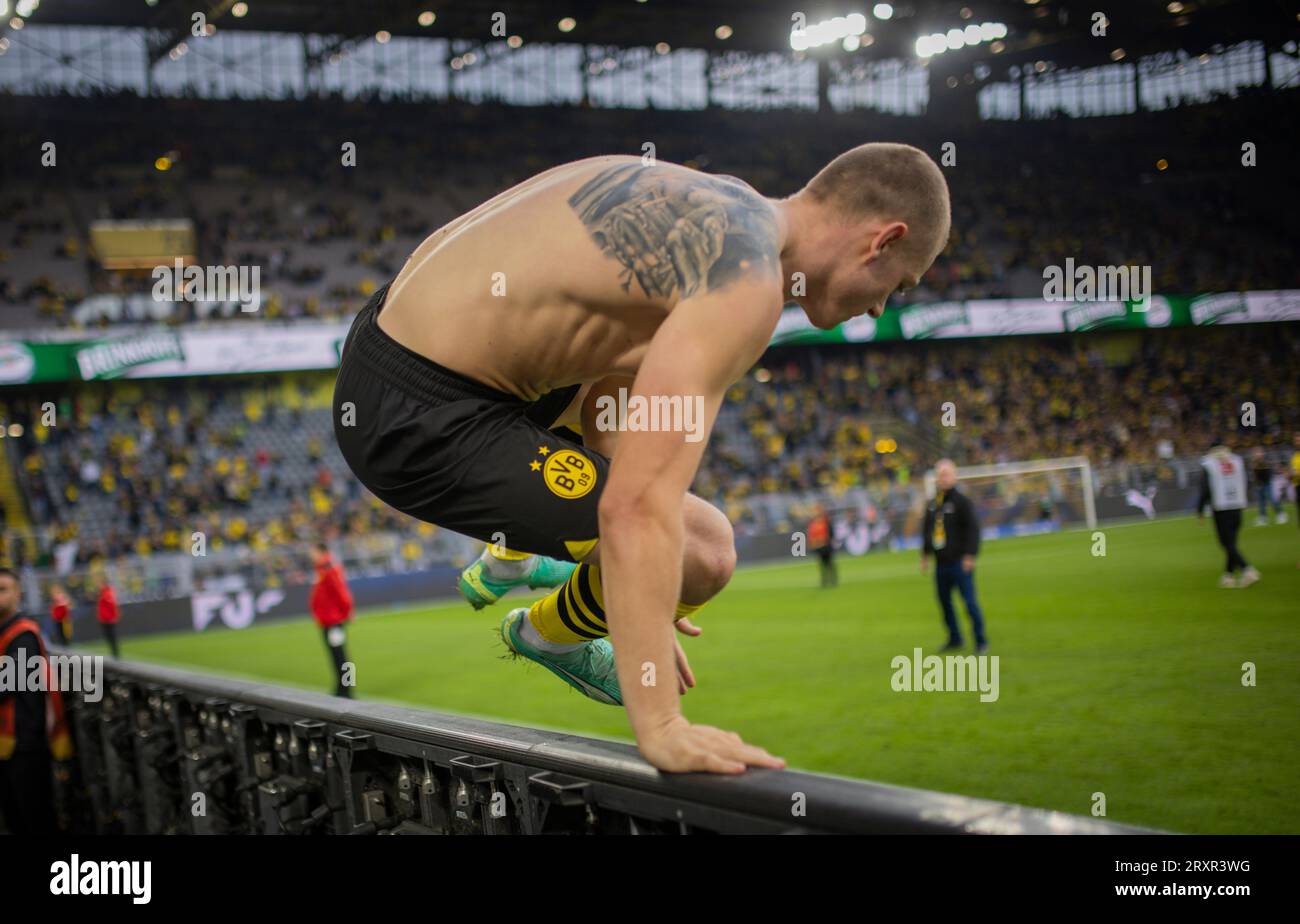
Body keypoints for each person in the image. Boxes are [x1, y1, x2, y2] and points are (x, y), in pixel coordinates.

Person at [334, 144, 951, 774]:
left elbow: (610, 382)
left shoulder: (719, 203)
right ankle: (545, 631)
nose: (881, 307)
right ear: (884, 240)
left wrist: (636, 601)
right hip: (422, 414)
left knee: (661, 551)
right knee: (704, 552)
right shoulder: (747, 282)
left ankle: (527, 572)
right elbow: (636, 508)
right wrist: (661, 723)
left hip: (403, 344)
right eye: (899, 284)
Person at [0, 566, 72, 835]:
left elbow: (8, 684)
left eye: (3, 590)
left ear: (18, 593)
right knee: (16, 819)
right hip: (10, 744)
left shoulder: (22, 634)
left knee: (35, 819)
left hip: (23, 744)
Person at [920, 459, 988, 654]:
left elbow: (973, 529)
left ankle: (981, 640)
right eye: (940, 475)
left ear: (954, 476)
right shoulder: (933, 504)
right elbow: (928, 530)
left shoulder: (962, 502)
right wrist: (925, 554)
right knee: (945, 603)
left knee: (969, 602)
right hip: (941, 564)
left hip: (959, 562)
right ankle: (954, 638)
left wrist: (970, 555)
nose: (943, 478)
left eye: (946, 474)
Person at [1197, 439, 1259, 588]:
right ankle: (1228, 576)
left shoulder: (1209, 463)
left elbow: (1205, 489)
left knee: (1226, 543)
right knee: (1231, 543)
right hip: (1237, 506)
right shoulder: (1237, 460)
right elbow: (1247, 481)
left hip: (1221, 508)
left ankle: (1247, 569)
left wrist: (1200, 509)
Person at [309, 543, 355, 698]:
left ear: (320, 551)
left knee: (341, 656)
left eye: (312, 551)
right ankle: (341, 688)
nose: (310, 555)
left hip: (334, 621)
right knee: (336, 656)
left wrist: (347, 612)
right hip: (327, 621)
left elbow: (342, 592)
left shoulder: (328, 568)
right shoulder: (322, 568)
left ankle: (347, 690)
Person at [1250, 447, 1284, 526]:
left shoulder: (1265, 462)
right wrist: (1257, 483)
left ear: (1262, 454)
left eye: (1259, 453)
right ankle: (1263, 517)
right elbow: (1255, 475)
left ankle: (1280, 514)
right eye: (1256, 453)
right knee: (1261, 501)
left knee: (1272, 498)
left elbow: (1267, 474)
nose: (1257, 454)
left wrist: (1257, 466)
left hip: (1267, 483)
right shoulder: (1254, 463)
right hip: (1259, 484)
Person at [807, 505, 837, 588]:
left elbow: (830, 533)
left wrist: (826, 541)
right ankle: (825, 580)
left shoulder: (825, 521)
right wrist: (813, 544)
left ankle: (833, 579)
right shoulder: (813, 523)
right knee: (822, 564)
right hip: (819, 547)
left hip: (826, 545)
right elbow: (811, 535)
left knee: (829, 562)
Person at [96, 574, 120, 658]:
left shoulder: (108, 592)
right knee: (108, 636)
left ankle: (115, 654)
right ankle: (113, 653)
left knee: (111, 636)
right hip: (104, 619)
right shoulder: (103, 592)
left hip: (109, 619)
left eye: (100, 583)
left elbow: (112, 605)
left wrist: (114, 616)